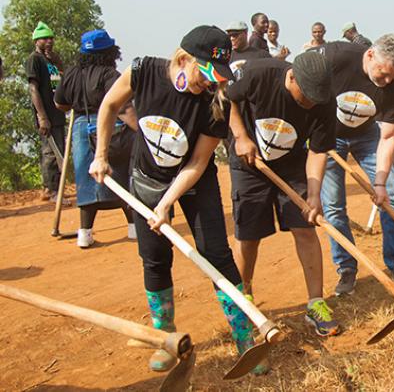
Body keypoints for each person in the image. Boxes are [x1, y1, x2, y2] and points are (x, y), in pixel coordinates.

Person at [89, 25, 267, 375]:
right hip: (146, 179)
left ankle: (245, 336)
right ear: (183, 58)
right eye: (206, 73)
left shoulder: (217, 103)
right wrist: (101, 154)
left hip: (194, 186)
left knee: (215, 253)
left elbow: (199, 162)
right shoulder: (143, 72)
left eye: (217, 76)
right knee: (154, 258)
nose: (211, 83)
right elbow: (110, 105)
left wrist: (168, 202)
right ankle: (165, 337)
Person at [226, 54, 339, 337]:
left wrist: (314, 195)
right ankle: (244, 300)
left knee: (306, 227)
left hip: (292, 165)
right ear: (291, 78)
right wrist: (241, 136)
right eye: (306, 97)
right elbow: (226, 98)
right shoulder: (258, 73)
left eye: (317, 99)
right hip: (249, 163)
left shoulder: (324, 100)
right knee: (248, 235)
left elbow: (317, 150)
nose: (311, 104)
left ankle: (316, 304)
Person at [318, 34, 394, 296]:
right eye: (383, 74)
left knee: (390, 192)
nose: (387, 82)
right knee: (334, 206)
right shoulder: (335, 57)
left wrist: (379, 182)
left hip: (367, 135)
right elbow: (301, 78)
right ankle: (346, 268)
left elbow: (390, 136)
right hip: (327, 137)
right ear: (370, 55)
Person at [54, 30, 136, 248]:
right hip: (112, 127)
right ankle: (134, 228)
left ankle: (85, 234)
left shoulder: (71, 74)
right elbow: (123, 108)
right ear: (109, 51)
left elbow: (60, 103)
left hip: (81, 126)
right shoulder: (110, 75)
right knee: (122, 176)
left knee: (86, 180)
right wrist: (140, 129)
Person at [25, 21, 67, 203]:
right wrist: (42, 117)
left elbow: (63, 79)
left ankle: (57, 188)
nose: (49, 41)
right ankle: (50, 190)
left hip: (57, 114)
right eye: (45, 39)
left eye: (51, 38)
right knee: (51, 152)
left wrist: (56, 60)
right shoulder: (34, 59)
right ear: (36, 41)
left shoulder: (51, 60)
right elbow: (33, 89)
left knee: (60, 151)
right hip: (46, 114)